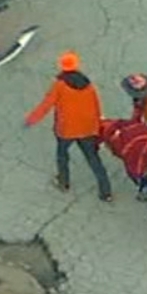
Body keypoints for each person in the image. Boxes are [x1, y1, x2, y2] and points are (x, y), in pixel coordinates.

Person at [24, 51, 113, 202]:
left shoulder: (60, 85)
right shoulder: (88, 85)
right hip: (87, 128)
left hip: (66, 129)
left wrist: (31, 120)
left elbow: (46, 105)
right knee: (94, 159)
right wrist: (97, 126)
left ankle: (63, 182)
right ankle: (106, 192)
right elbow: (96, 106)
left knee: (62, 155)